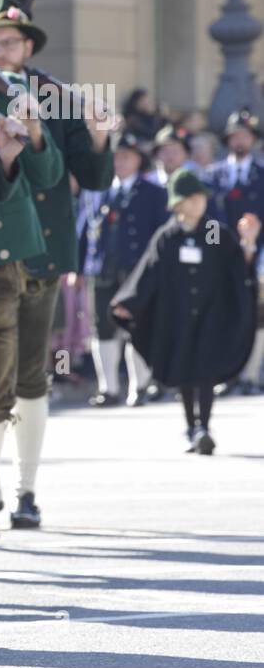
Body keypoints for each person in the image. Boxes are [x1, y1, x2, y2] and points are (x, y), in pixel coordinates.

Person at [0, 0, 113, 533]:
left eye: (8, 41)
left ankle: (25, 489)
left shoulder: (53, 96)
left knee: (32, 373)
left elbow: (94, 176)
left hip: (38, 249)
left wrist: (101, 131)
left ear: (28, 45)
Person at [112, 170, 260, 454]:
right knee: (183, 369)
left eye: (200, 198)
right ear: (177, 203)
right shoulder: (167, 236)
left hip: (210, 312)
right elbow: (148, 273)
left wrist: (248, 242)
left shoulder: (213, 231)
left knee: (205, 369)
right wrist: (128, 302)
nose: (197, 204)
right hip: (176, 313)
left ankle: (204, 426)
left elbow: (234, 263)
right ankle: (190, 426)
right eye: (191, 199)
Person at [78, 134, 166, 408]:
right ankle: (109, 388)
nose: (121, 161)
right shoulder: (97, 190)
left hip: (137, 272)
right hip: (102, 269)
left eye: (127, 156)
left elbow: (160, 235)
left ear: (139, 160)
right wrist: (78, 267)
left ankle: (139, 386)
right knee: (102, 329)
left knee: (136, 327)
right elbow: (83, 231)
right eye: (116, 156)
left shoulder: (154, 193)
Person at [205, 109, 264, 395]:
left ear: (252, 139)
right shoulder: (213, 175)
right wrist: (217, 248)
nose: (240, 140)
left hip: (259, 255)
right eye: (235, 136)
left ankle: (251, 376)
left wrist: (255, 241)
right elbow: (208, 218)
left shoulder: (261, 174)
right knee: (225, 313)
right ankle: (227, 373)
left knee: (256, 315)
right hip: (223, 257)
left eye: (245, 135)